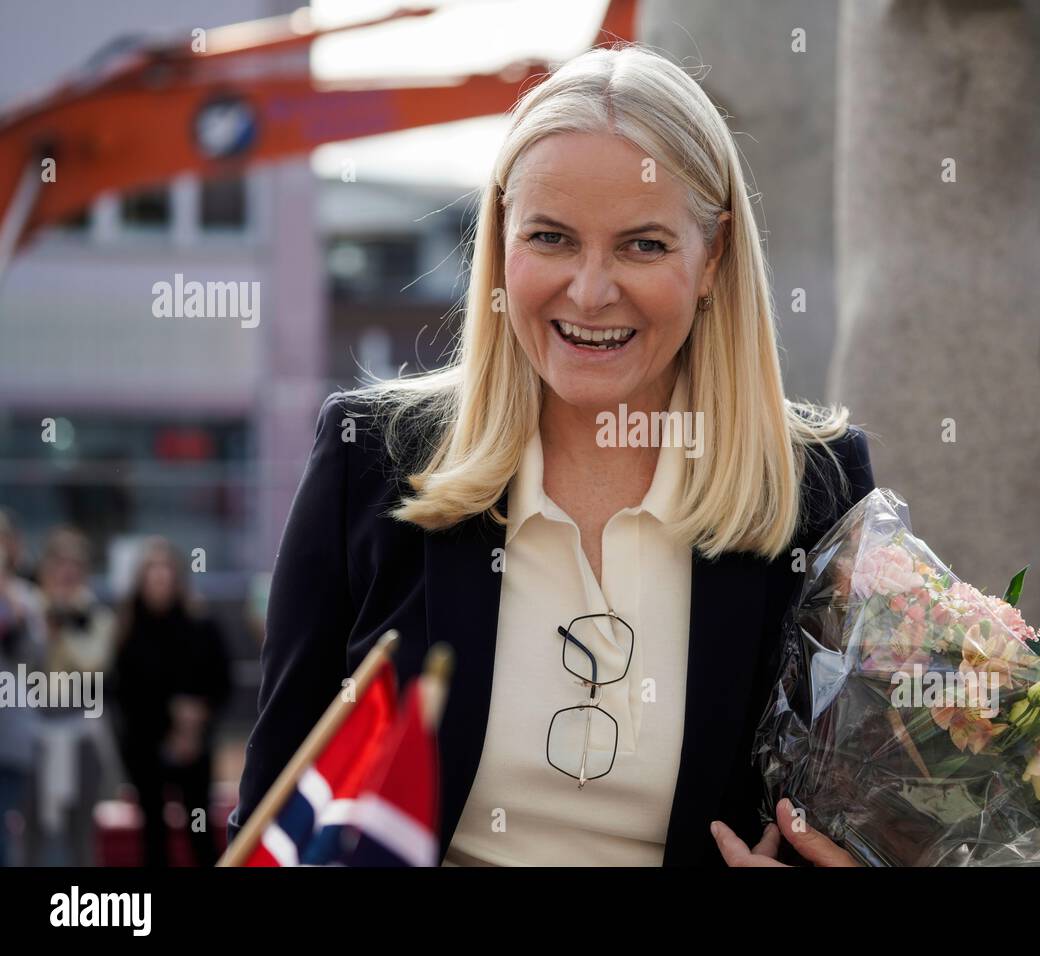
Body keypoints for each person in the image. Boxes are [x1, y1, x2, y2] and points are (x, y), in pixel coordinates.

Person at [230, 43, 875, 867]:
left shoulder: (818, 487)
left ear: (712, 256)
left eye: (643, 245)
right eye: (552, 238)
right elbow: (272, 814)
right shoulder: (370, 460)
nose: (591, 290)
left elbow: (853, 822)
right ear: (501, 242)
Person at [110, 537, 231, 867]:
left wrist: (196, 721)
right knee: (154, 831)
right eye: (152, 571)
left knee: (199, 825)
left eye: (166, 571)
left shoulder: (200, 624)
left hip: (195, 745)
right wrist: (167, 724)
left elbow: (222, 681)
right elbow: (122, 694)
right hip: (145, 746)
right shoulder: (128, 629)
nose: (160, 579)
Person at [30, 526, 116, 866]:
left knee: (81, 832)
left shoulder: (97, 617)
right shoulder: (25, 608)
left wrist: (63, 625)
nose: (67, 573)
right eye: (59, 563)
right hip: (31, 734)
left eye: (75, 565)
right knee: (33, 830)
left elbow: (93, 665)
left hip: (81, 734)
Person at [0, 530, 46, 866]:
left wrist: (16, 613)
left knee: (6, 826)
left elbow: (35, 660)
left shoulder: (26, 600)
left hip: (11, 737)